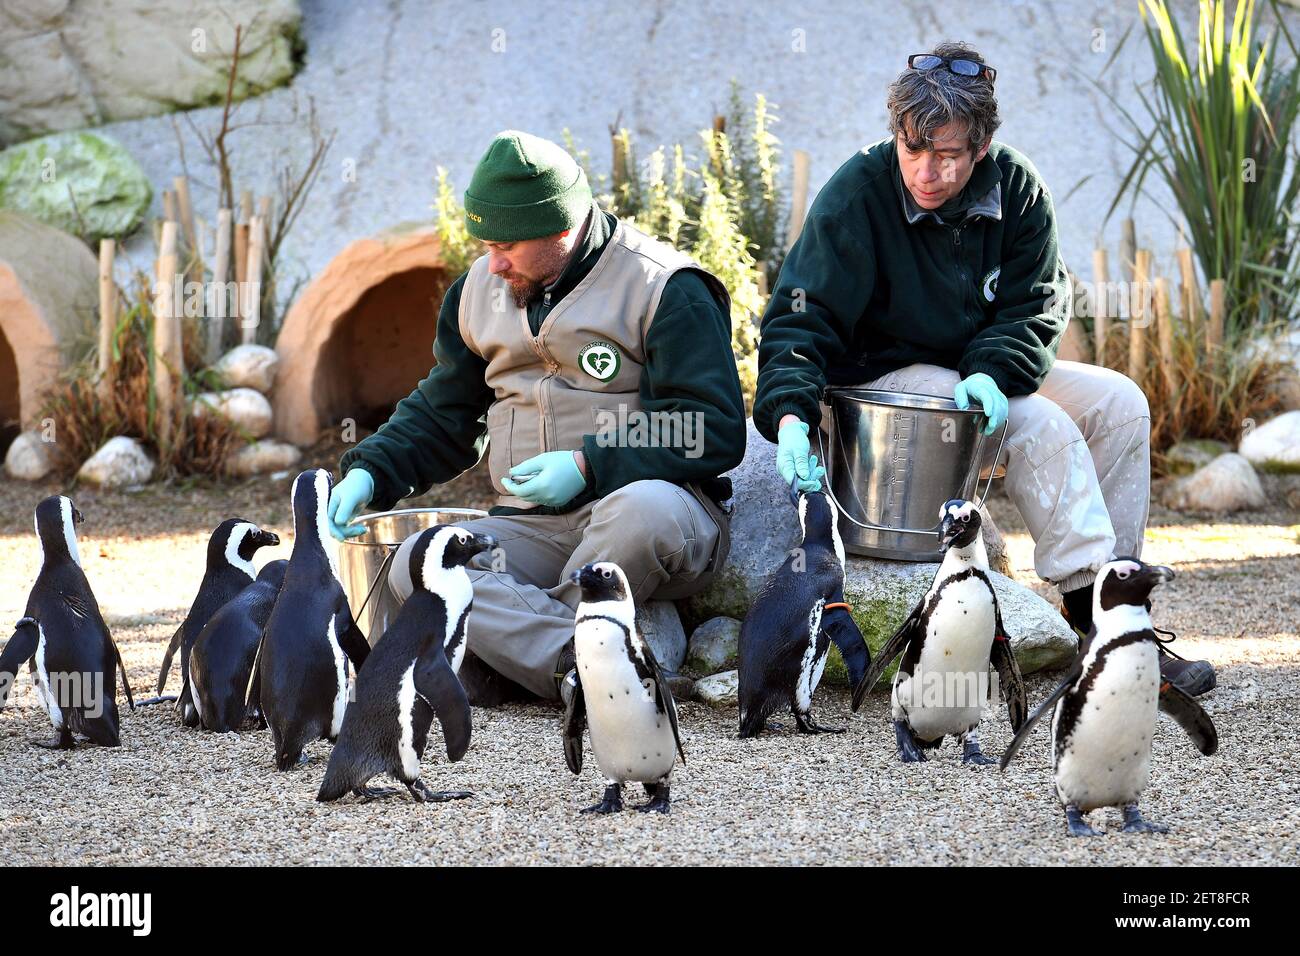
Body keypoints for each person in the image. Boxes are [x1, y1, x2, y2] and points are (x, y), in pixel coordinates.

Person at [753, 42, 1214, 695]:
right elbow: (801, 314)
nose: (927, 170)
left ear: (981, 148)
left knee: (1119, 402)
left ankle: (1119, 609)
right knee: (1041, 427)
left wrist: (994, 369)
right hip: (880, 383)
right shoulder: (857, 191)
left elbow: (1039, 303)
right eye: (913, 148)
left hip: (973, 371)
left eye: (947, 154)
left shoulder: (1019, 189)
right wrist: (793, 413)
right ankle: (1105, 634)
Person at [327, 130, 746, 703]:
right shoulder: (476, 292)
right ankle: (577, 669)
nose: (492, 263)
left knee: (639, 510)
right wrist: (369, 472)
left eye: (508, 246)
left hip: (653, 517)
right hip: (530, 527)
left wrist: (588, 464)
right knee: (418, 561)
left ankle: (505, 656)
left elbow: (709, 424)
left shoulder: (666, 287)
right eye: (485, 244)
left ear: (563, 228)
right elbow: (443, 414)